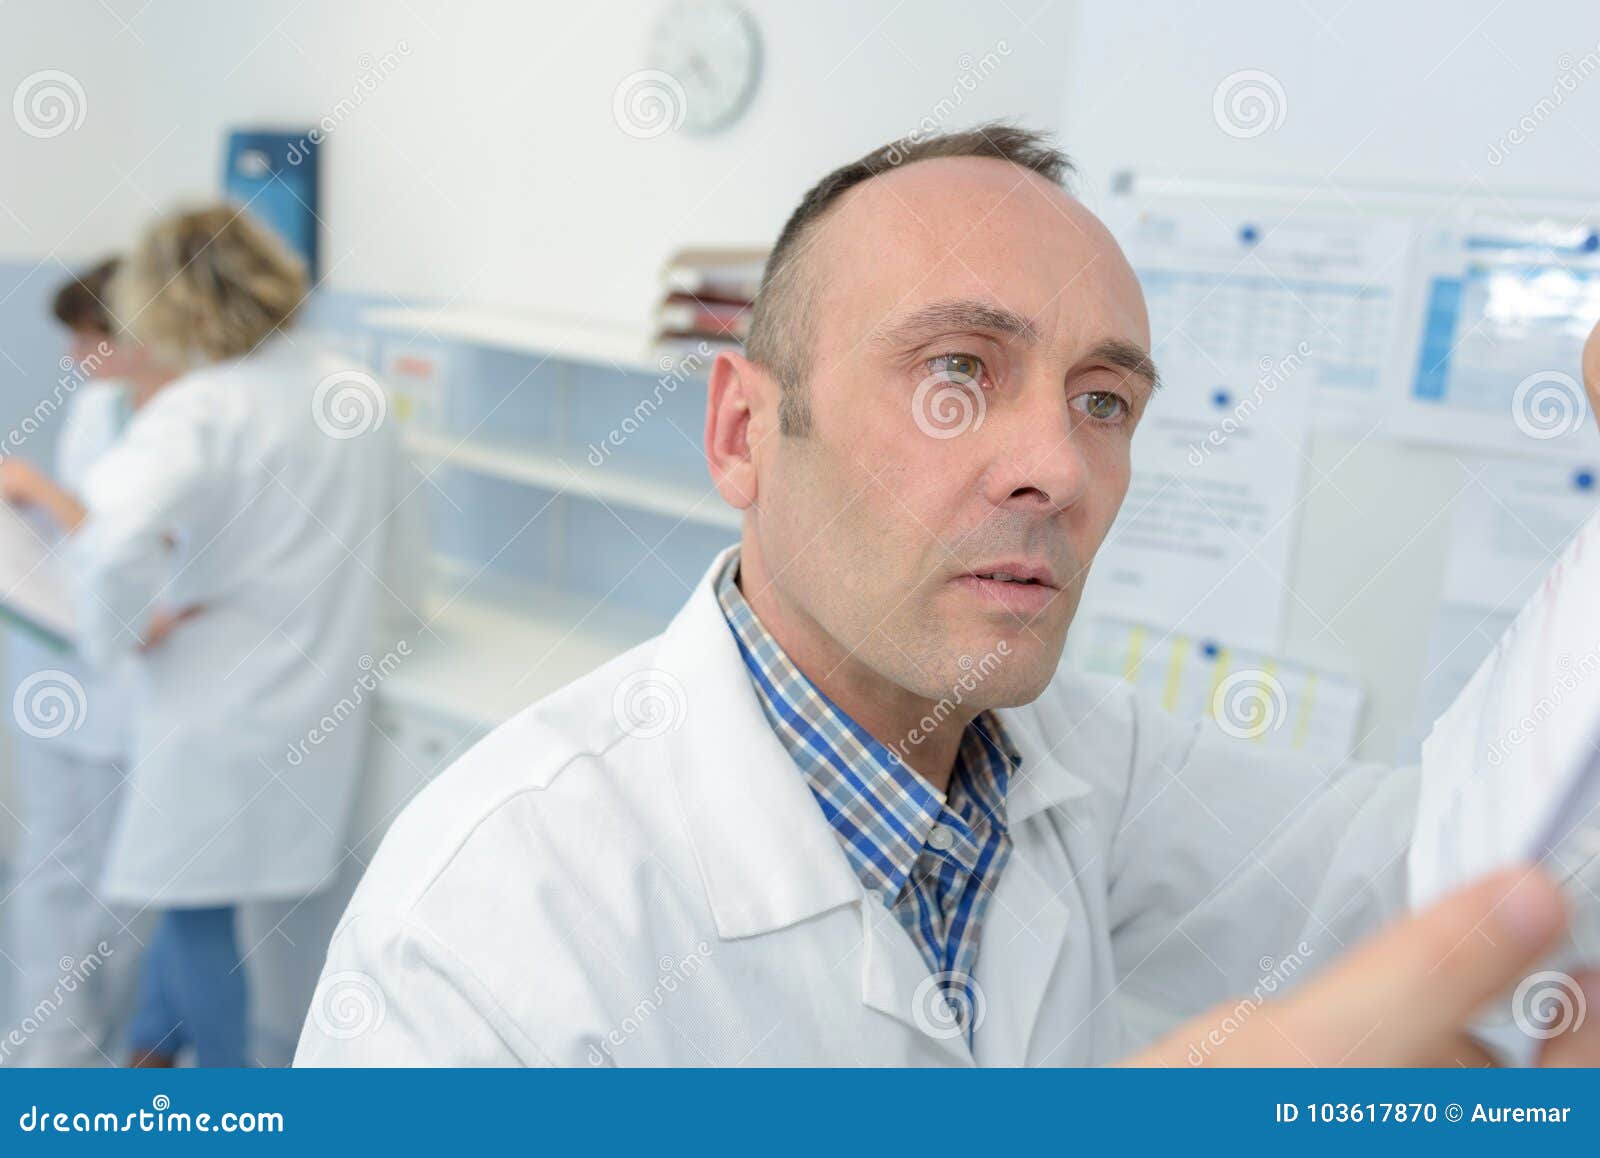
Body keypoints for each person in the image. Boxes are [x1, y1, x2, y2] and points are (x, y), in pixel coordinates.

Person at [295, 125, 1600, 1067]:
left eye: (1104, 400)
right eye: (955, 374)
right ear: (744, 433)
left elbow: (1450, 870)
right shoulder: (481, 935)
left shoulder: (1082, 756)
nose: (1058, 468)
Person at [18, 206, 419, 1066]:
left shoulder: (204, 406)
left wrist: (120, 632)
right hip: (320, 689)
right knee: (205, 899)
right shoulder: (354, 387)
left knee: (191, 905)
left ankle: (236, 1105)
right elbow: (404, 550)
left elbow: (113, 540)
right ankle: (154, 1050)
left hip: (215, 703)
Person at [0, 258, 161, 1065]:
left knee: (121, 888)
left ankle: (102, 1054)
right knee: (52, 868)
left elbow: (142, 551)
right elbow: (91, 540)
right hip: (59, 664)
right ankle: (44, 1050)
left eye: (87, 336)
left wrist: (42, 493)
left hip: (133, 682)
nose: (73, 356)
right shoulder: (100, 408)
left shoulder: (195, 421)